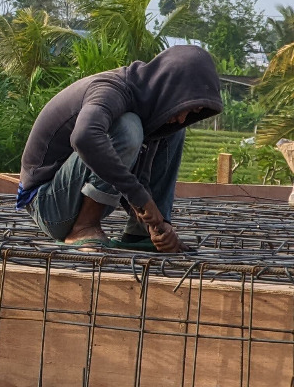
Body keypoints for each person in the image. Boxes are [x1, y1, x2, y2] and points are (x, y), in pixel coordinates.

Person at [17, 45, 223, 251]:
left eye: (193, 112)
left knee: (173, 130)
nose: (182, 117)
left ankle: (140, 233)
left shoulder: (149, 106)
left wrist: (158, 224)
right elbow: (84, 137)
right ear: (169, 87)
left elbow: (140, 173)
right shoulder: (111, 89)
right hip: (47, 204)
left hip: (76, 196)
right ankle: (84, 226)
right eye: (186, 108)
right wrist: (141, 198)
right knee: (128, 126)